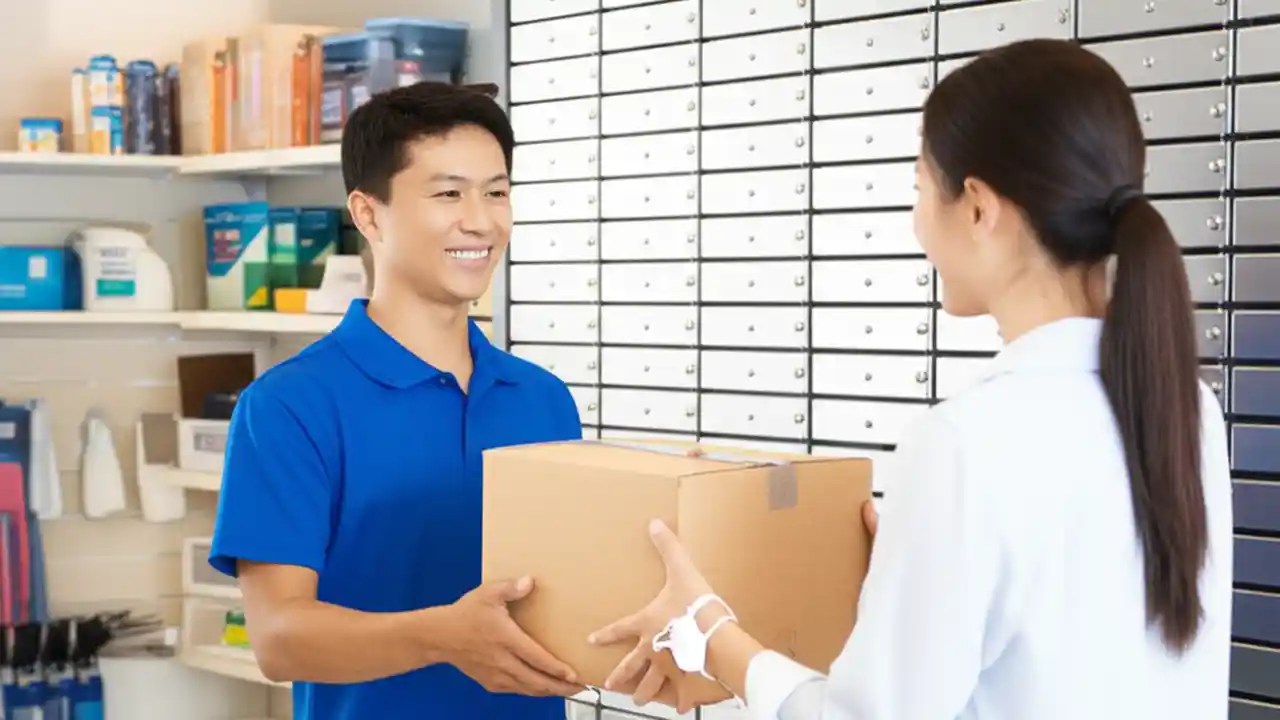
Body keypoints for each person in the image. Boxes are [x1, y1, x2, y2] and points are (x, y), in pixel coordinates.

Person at [589, 39, 1233, 720]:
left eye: (921, 189)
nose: (917, 223)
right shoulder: (1188, 410)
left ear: (979, 208)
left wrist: (707, 629)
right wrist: (916, 579)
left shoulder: (964, 443)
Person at [207, 82, 584, 720]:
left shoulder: (542, 398)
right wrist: (443, 637)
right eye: (448, 193)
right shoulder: (289, 406)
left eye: (496, 192)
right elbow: (278, 638)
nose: (482, 220)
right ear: (369, 212)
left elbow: (571, 591)